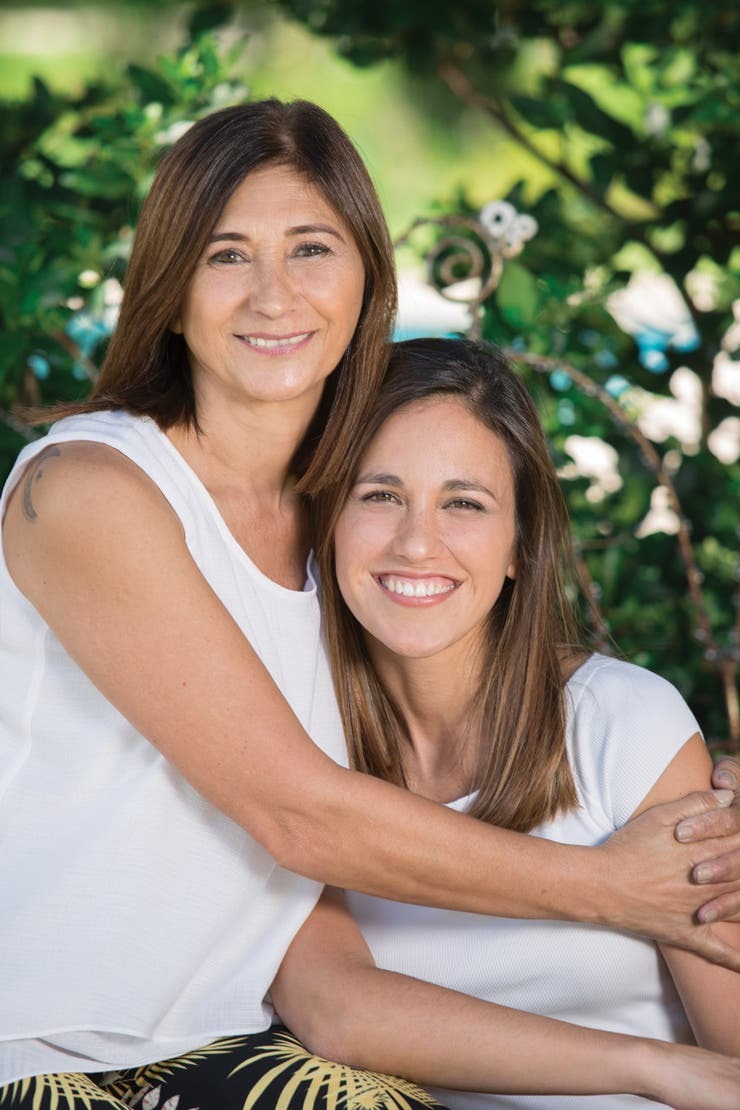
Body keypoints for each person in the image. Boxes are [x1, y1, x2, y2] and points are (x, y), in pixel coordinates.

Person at [1, 99, 739, 1107]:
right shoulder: (88, 490)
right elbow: (297, 815)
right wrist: (618, 887)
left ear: (364, 286)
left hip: (225, 1034)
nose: (272, 295)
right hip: (42, 1037)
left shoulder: (342, 550)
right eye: (225, 255)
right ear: (169, 291)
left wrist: (691, 804)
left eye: (311, 248)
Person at [269, 336, 740, 1108]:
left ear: (521, 542)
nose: (418, 542)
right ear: (326, 517)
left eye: (464, 502)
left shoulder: (622, 726)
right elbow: (335, 1008)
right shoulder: (289, 753)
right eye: (379, 494)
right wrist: (656, 1066)